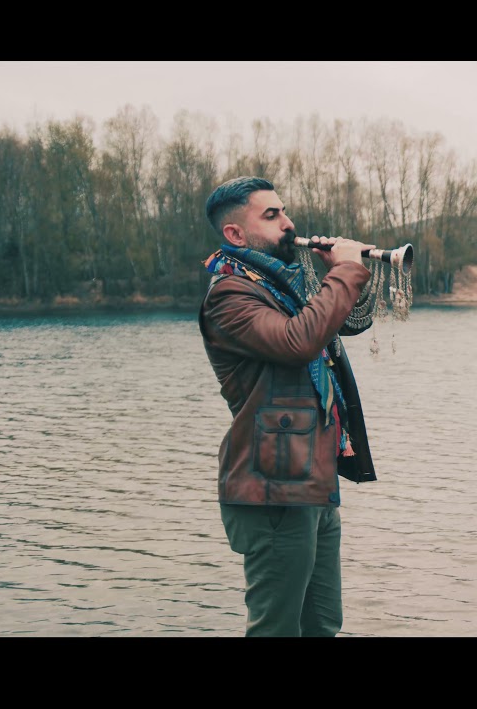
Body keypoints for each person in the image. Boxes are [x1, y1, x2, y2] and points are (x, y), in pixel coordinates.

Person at [198, 176, 379, 637]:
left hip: (311, 482)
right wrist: (344, 272)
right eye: (271, 215)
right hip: (272, 491)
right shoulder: (229, 296)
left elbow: (340, 324)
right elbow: (299, 341)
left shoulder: (281, 287)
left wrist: (339, 272)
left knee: (322, 624)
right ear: (236, 234)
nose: (288, 223)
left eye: (284, 211)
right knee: (275, 629)